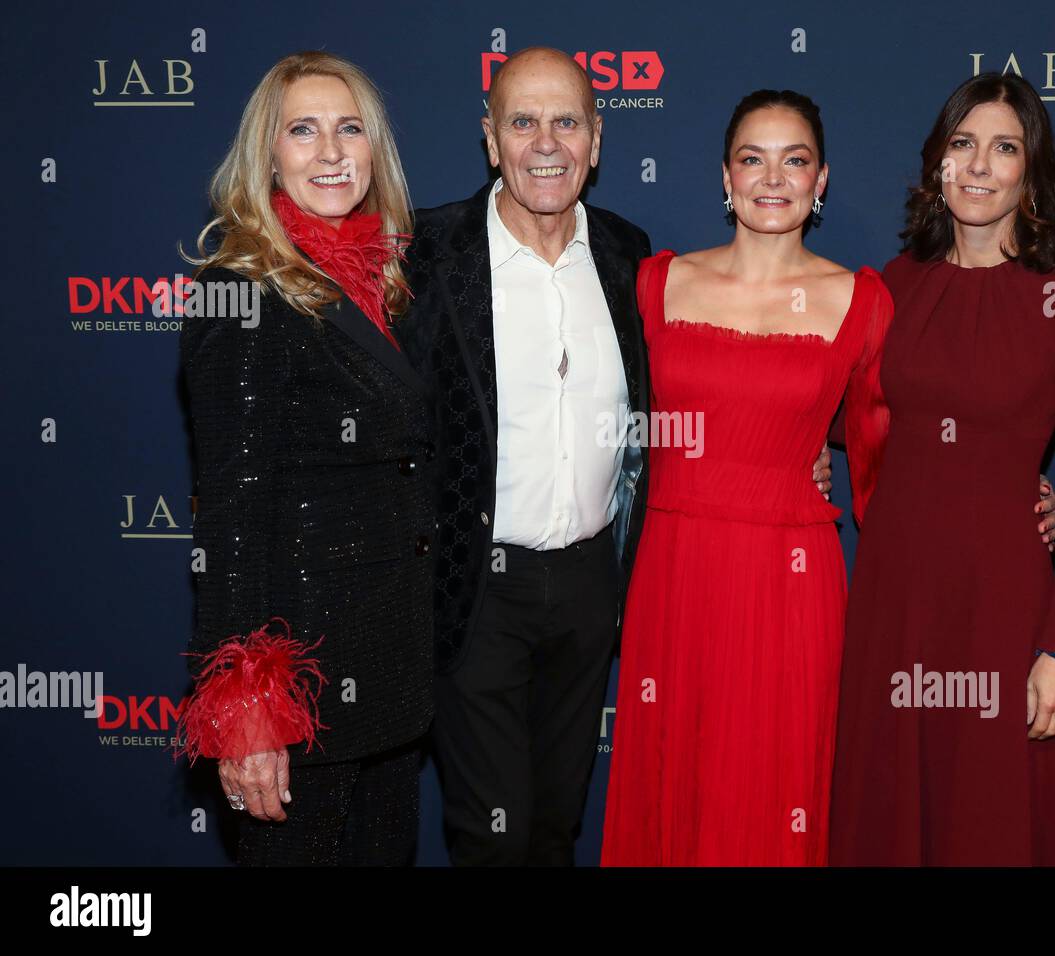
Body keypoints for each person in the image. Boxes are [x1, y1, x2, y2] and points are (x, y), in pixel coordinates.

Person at [395, 48, 835, 866]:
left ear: (597, 141)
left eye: (566, 121)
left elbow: (731, 387)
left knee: (558, 826)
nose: (545, 143)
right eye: (523, 122)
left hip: (597, 586)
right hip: (474, 586)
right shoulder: (425, 257)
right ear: (491, 139)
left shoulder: (634, 262)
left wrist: (805, 454)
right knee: (492, 833)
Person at [600, 89, 1055, 866]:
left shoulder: (866, 300)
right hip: (674, 575)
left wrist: (1013, 487)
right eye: (752, 158)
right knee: (670, 783)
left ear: (822, 183)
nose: (771, 178)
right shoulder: (653, 284)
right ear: (725, 175)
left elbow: (897, 442)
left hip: (792, 584)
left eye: (795, 160)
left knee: (776, 791)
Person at [829, 72, 1055, 866]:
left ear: (1033, 170)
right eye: (963, 144)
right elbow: (836, 415)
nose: (980, 166)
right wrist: (803, 468)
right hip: (894, 592)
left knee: (990, 813)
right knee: (890, 804)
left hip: (1004, 601)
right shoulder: (892, 287)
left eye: (1005, 148)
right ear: (937, 163)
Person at [175, 51, 436, 866]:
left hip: (388, 691)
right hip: (301, 712)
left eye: (349, 128)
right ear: (268, 155)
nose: (330, 152)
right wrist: (249, 716)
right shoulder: (243, 294)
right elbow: (231, 523)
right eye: (304, 131)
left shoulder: (381, 283)